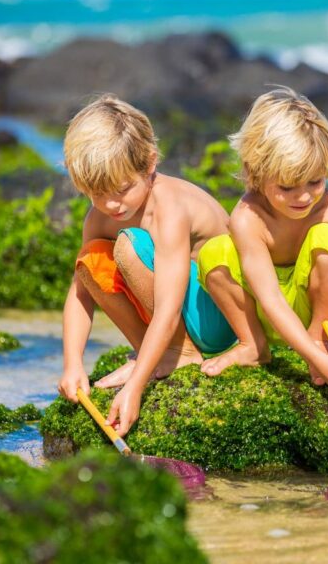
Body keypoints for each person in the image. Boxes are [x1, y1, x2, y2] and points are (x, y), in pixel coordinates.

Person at [197, 86, 328, 403]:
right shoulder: (249, 219)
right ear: (255, 175)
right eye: (287, 187)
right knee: (214, 252)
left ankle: (318, 340)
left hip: (324, 314)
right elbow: (271, 299)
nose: (303, 197)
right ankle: (253, 346)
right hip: (268, 312)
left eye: (315, 182)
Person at [57, 94, 237, 436]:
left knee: (128, 247)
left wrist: (135, 388)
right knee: (92, 259)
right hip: (179, 313)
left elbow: (169, 308)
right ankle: (153, 351)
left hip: (218, 315)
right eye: (97, 193)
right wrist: (72, 364)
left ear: (149, 163)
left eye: (122, 189)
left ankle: (179, 354)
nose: (110, 203)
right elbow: (80, 294)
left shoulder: (168, 208)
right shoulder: (100, 216)